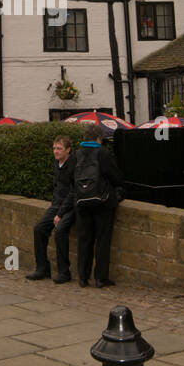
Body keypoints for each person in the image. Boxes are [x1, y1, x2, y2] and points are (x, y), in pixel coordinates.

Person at [74, 122, 123, 289]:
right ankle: (100, 278)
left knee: (84, 240)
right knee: (102, 240)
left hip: (82, 203)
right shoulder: (102, 153)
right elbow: (115, 177)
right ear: (98, 138)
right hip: (102, 202)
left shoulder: (77, 154)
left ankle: (83, 277)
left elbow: (70, 179)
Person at [24, 135, 78, 284]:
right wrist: (55, 207)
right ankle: (42, 269)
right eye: (54, 148)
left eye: (59, 148)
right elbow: (57, 188)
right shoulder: (57, 164)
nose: (56, 151)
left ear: (68, 150)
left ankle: (64, 272)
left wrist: (60, 213)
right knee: (39, 229)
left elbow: (73, 192)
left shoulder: (73, 165)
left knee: (60, 230)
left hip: (71, 206)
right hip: (57, 205)